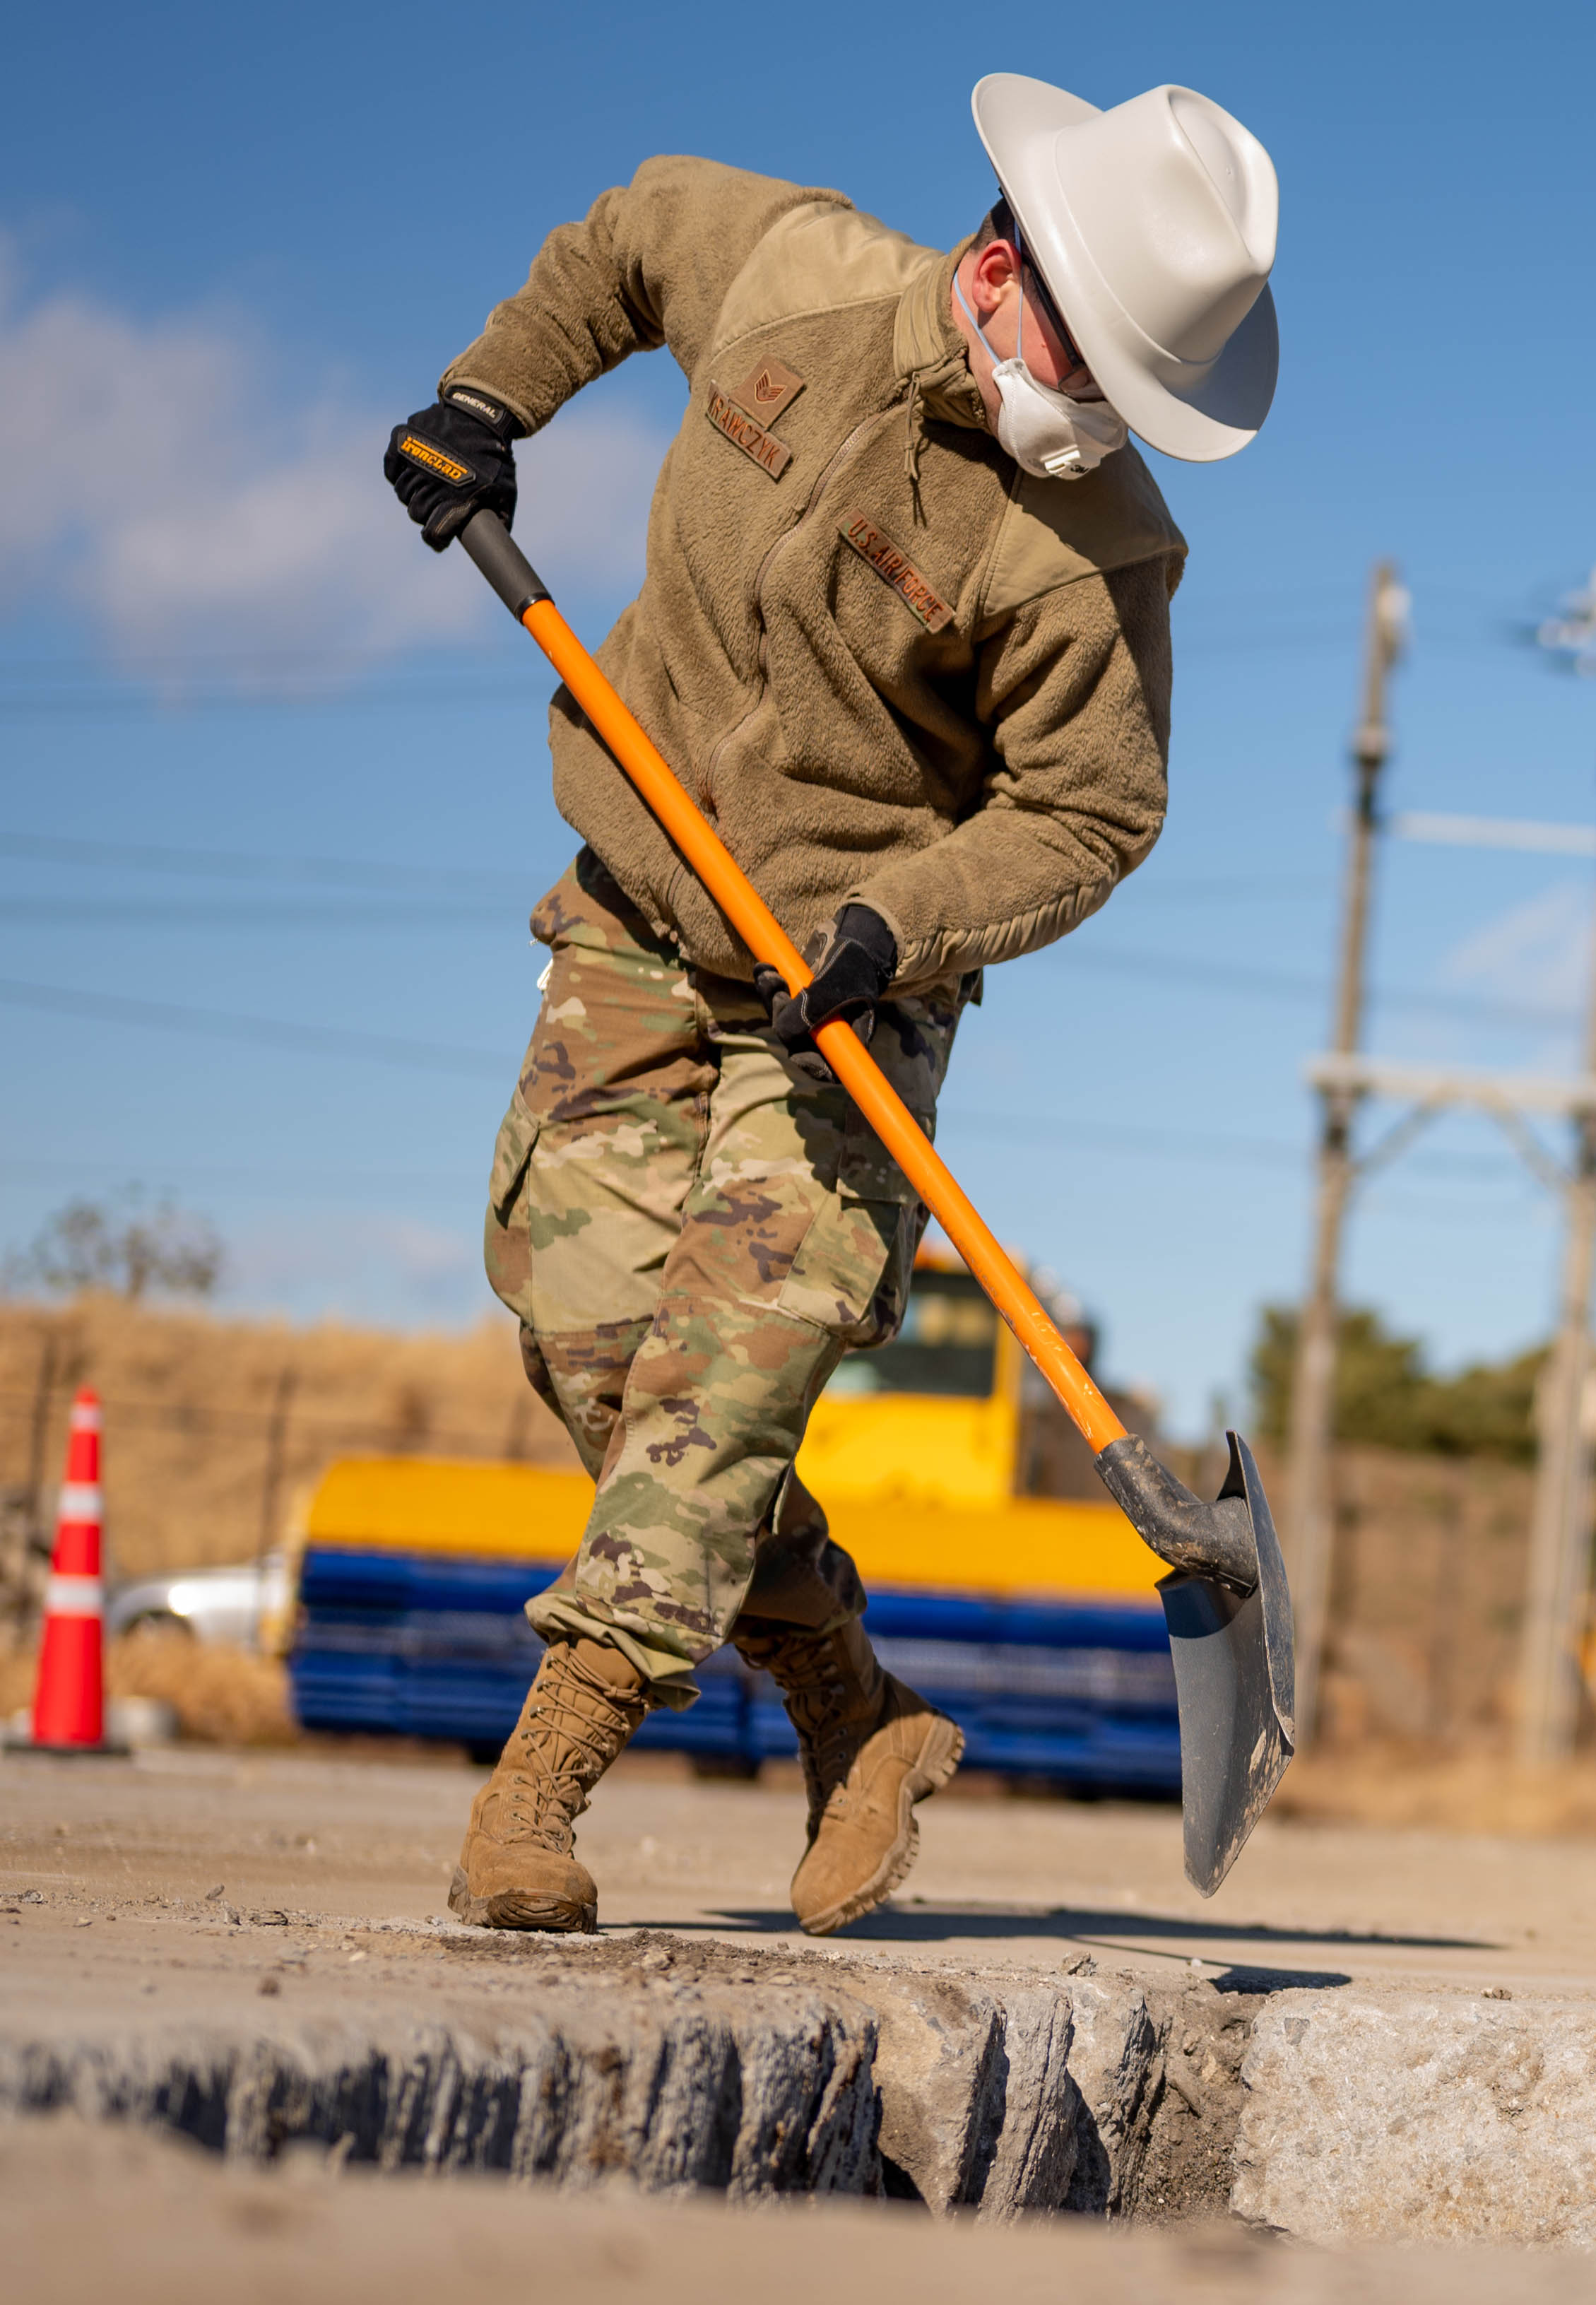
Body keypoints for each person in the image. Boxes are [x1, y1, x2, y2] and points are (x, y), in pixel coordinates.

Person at [379, 76, 1281, 1935]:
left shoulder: (1100, 546)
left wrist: (901, 922)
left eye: (1138, 401)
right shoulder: (790, 271)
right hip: (634, 911)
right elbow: (624, 236)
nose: (1102, 423)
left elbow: (1095, 806)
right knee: (601, 1365)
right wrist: (494, 396)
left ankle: (542, 1790)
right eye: (1097, 369)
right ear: (1003, 263)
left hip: (847, 994)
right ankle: (858, 1713)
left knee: (725, 1377)